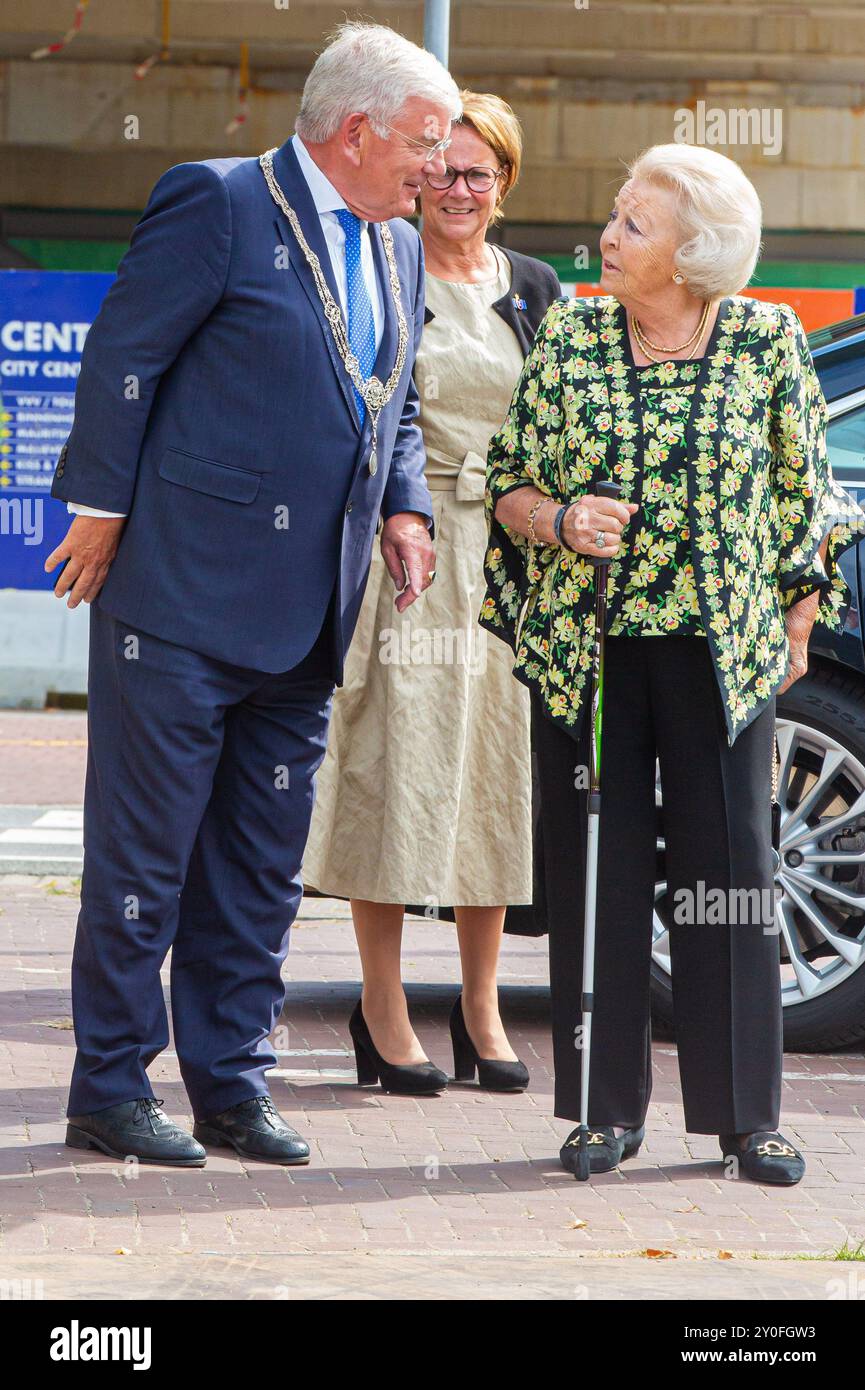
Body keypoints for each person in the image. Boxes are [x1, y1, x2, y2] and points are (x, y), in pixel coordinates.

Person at [45, 21, 461, 1167]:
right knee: (147, 859)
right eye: (425, 142)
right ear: (357, 129)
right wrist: (98, 504)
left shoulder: (399, 243)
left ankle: (230, 1084)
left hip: (309, 612)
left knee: (260, 865)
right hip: (179, 601)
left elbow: (396, 398)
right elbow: (124, 354)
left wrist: (404, 506)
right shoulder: (221, 202)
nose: (441, 165)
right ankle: (110, 1087)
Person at [481, 142, 865, 1184]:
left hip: (720, 649)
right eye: (613, 215)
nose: (606, 236)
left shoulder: (762, 340)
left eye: (632, 223)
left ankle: (745, 1116)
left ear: (693, 254)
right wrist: (558, 518)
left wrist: (794, 621)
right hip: (592, 647)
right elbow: (505, 481)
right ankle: (602, 1110)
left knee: (730, 878)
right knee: (595, 872)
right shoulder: (570, 334)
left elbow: (805, 497)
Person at [303, 93, 561, 1095]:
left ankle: (481, 1005)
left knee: (492, 778)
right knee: (395, 768)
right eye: (440, 171)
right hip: (406, 549)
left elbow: (559, 425)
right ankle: (380, 1006)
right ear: (415, 179)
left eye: (475, 173)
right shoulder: (380, 266)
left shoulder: (537, 287)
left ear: (503, 182)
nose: (456, 190)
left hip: (510, 558)